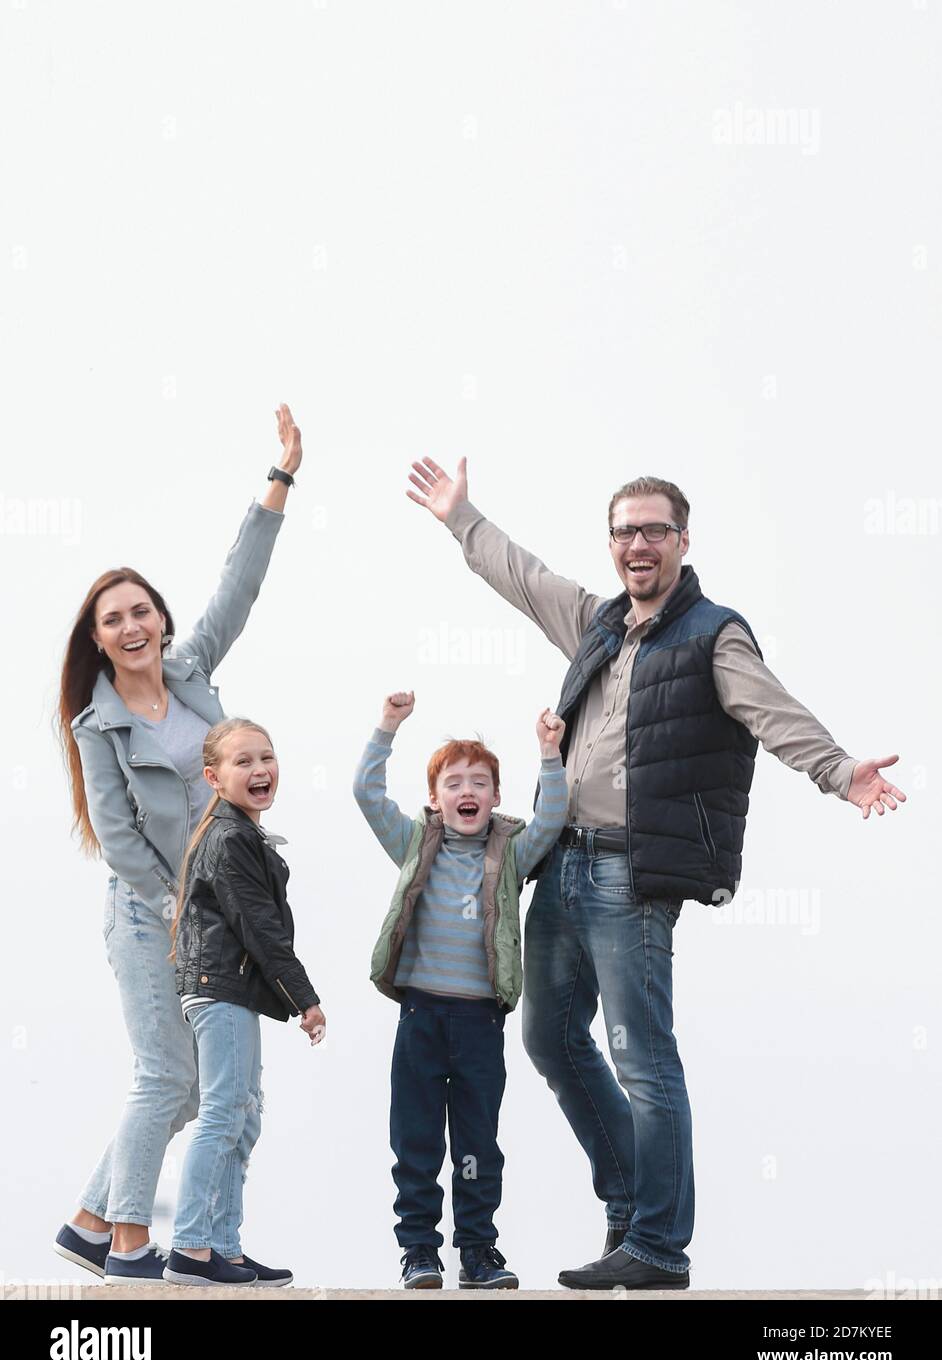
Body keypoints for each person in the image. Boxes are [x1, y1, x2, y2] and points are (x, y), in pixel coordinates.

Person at [406, 456, 906, 1291]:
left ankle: (660, 1247)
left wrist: (839, 769)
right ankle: (631, 1203)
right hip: (560, 867)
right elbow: (523, 578)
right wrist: (463, 517)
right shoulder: (597, 623)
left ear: (682, 540)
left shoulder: (712, 632)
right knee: (549, 1037)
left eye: (654, 531)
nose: (639, 544)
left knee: (642, 1054)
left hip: (632, 877)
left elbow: (771, 710)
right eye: (625, 531)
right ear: (612, 544)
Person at [53, 404, 304, 1286]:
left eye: (141, 611)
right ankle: (126, 1243)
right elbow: (119, 840)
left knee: (197, 1090)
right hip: (148, 913)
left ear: (159, 620)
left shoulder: (195, 675)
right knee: (167, 1076)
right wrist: (176, 912)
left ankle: (88, 1221)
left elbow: (238, 585)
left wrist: (279, 483)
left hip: (209, 912)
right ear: (98, 640)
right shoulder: (99, 725)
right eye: (112, 619)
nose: (132, 627)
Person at [353, 691, 568, 1289]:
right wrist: (387, 725)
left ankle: (477, 1251)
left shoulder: (512, 853)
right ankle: (419, 1250)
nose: (466, 790)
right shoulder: (414, 846)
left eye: (479, 782)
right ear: (435, 798)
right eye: (453, 782)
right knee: (416, 1139)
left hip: (479, 1022)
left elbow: (552, 819)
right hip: (421, 1016)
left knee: (477, 1144)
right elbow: (367, 795)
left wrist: (549, 753)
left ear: (496, 798)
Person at [162, 718, 325, 1288]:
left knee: (243, 1117)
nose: (260, 770)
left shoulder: (243, 835)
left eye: (267, 758)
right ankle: (190, 1248)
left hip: (228, 991)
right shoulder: (230, 839)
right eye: (243, 762)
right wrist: (304, 999)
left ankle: (224, 1248)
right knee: (225, 1113)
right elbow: (258, 928)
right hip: (218, 991)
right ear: (214, 777)